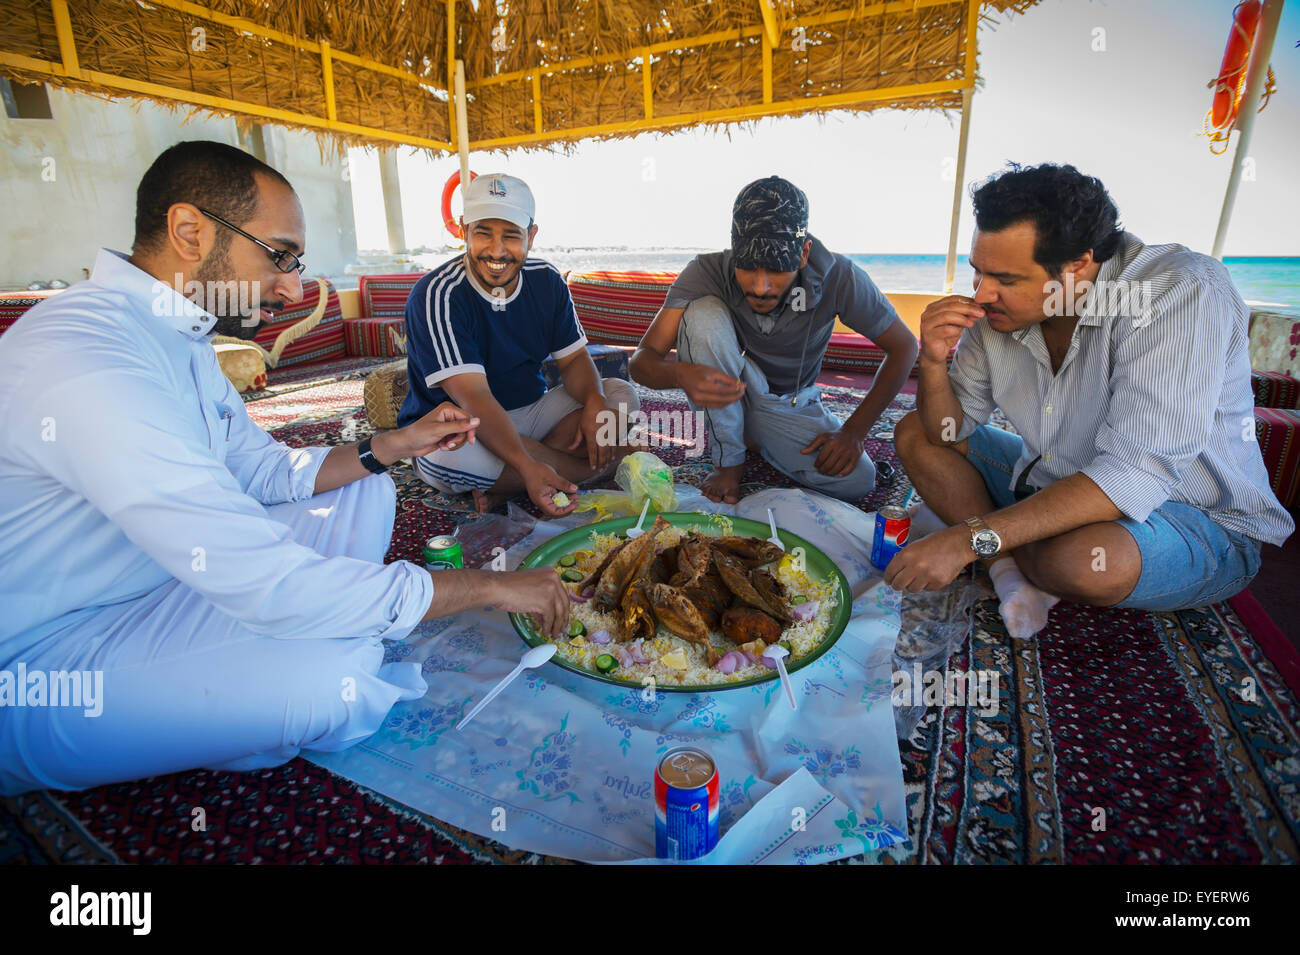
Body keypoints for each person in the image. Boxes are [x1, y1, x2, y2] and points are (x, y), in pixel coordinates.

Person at [0, 141, 570, 795]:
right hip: (47, 657)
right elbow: (263, 578)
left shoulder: (175, 337)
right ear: (190, 232)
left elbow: (261, 470)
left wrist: (392, 444)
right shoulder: (88, 357)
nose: (294, 289)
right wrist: (495, 587)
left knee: (368, 494)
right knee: (341, 680)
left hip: (165, 580)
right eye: (280, 257)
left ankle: (266, 661)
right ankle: (259, 683)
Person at [890, 163, 1293, 638]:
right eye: (978, 271)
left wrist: (965, 538)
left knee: (1082, 562)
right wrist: (934, 362)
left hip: (1196, 519)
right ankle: (1009, 572)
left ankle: (999, 539)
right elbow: (945, 434)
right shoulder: (997, 313)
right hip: (1053, 484)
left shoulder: (1176, 292)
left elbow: (1134, 473)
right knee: (914, 432)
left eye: (1006, 278)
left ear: (1077, 264)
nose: (982, 293)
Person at [629, 176, 918, 504]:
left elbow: (905, 347)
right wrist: (679, 374)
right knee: (702, 313)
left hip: (787, 403)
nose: (760, 286)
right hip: (728, 388)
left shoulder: (840, 276)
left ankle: (753, 435)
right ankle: (729, 462)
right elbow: (643, 360)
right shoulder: (705, 271)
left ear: (804, 253)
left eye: (776, 268)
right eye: (748, 267)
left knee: (857, 480)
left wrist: (854, 431)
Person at [400, 173, 640, 515]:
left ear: (531, 235)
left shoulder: (547, 281)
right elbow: (477, 400)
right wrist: (529, 468)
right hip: (465, 424)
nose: (497, 251)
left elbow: (573, 361)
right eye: (483, 233)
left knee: (620, 395)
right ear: (464, 229)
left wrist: (594, 402)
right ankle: (589, 467)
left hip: (532, 412)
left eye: (511, 236)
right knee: (440, 452)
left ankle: (511, 482)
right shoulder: (438, 294)